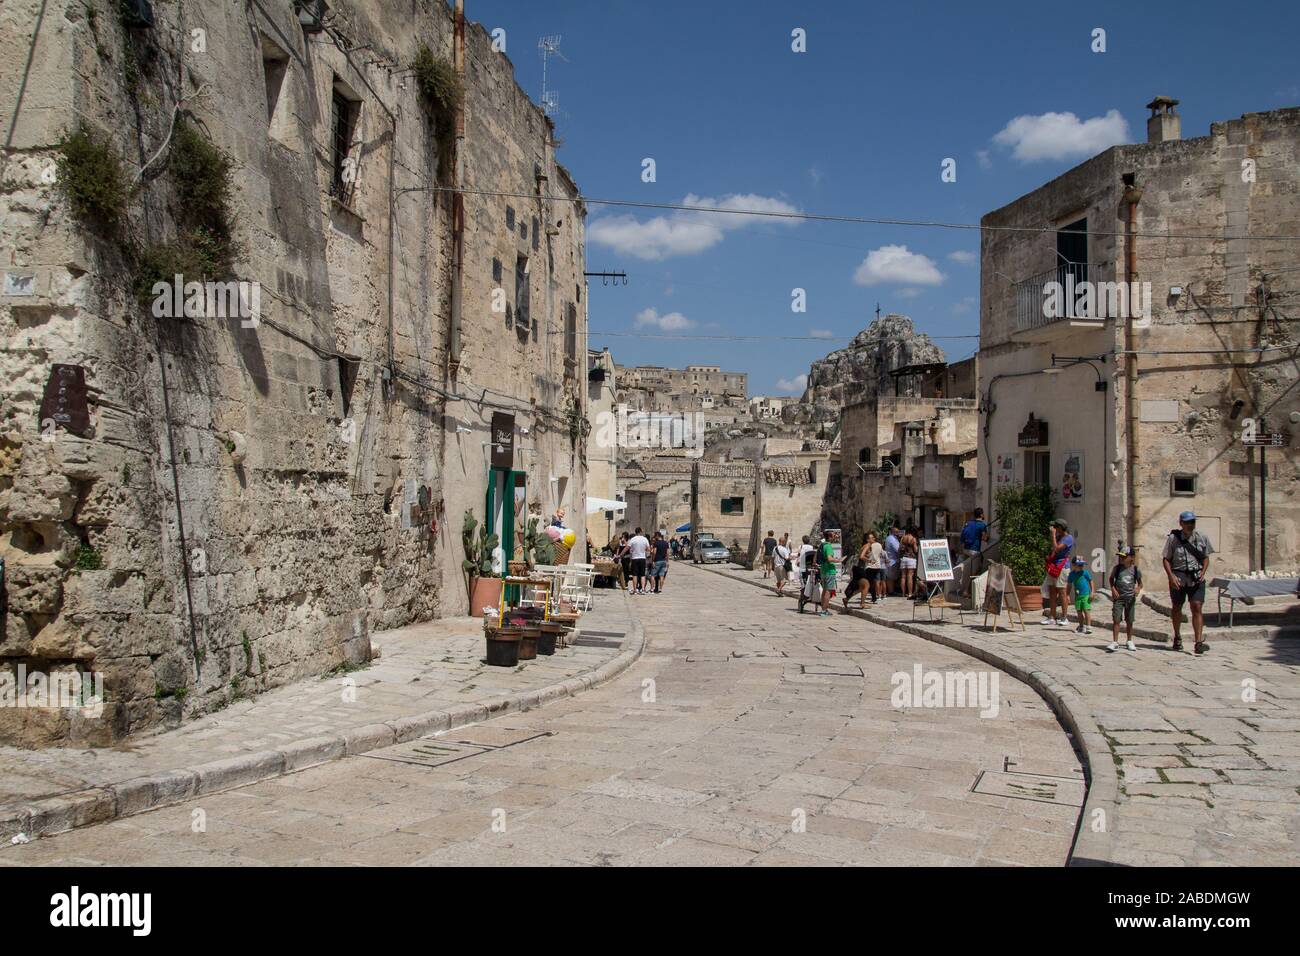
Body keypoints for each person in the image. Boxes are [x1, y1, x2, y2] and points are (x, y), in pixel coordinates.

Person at [1162, 510, 1213, 654]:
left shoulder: (1202, 537)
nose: (1190, 525)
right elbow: (1166, 559)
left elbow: (1206, 557)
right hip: (1178, 577)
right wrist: (1171, 576)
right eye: (1187, 522)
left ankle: (1198, 642)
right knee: (1177, 607)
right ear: (1181, 523)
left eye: (1192, 522)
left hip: (1196, 577)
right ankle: (1177, 636)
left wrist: (1203, 572)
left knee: (1197, 606)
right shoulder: (1173, 538)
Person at [1108, 545, 1142, 652]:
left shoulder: (1135, 570)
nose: (1121, 559)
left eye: (1124, 557)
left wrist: (1137, 589)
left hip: (1130, 598)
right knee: (1116, 619)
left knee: (1129, 620)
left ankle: (1129, 640)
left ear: (1131, 557)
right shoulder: (1117, 569)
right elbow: (1111, 579)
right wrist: (1113, 589)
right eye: (1120, 557)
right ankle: (1115, 641)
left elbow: (1140, 584)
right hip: (1119, 598)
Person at [1042, 518, 1073, 627]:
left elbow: (1057, 549)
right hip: (1053, 566)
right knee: (1052, 592)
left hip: (1062, 567)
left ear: (1060, 528)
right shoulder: (1059, 537)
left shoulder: (1068, 538)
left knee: (1062, 592)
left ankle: (1064, 617)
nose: (1054, 529)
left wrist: (1053, 536)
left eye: (1055, 527)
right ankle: (1052, 616)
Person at [1067, 555, 1094, 634]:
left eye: (1082, 565)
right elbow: (1069, 585)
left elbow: (1091, 581)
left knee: (1086, 610)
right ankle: (1081, 626)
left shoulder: (1085, 573)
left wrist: (1092, 592)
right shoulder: (1071, 575)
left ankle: (1089, 626)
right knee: (1079, 612)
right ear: (1074, 565)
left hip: (1086, 595)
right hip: (1078, 596)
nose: (1082, 566)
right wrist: (1067, 595)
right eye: (1080, 565)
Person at [960, 508, 989, 578]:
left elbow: (963, 535)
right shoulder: (982, 525)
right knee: (976, 570)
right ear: (981, 515)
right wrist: (986, 537)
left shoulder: (968, 523)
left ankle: (966, 587)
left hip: (965, 549)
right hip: (974, 550)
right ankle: (973, 586)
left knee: (966, 570)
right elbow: (985, 538)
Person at [817, 533, 838, 616]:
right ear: (829, 537)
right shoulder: (828, 546)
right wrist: (838, 560)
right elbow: (829, 558)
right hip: (829, 571)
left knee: (824, 590)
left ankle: (823, 609)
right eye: (833, 536)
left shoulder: (822, 545)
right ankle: (824, 610)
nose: (834, 537)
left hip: (823, 570)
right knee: (828, 591)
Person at [627, 527, 650, 595]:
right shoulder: (645, 539)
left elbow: (627, 547)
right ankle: (643, 589)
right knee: (642, 575)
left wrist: (621, 554)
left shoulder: (633, 539)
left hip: (635, 558)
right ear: (641, 531)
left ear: (635, 532)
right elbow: (648, 549)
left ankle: (635, 590)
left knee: (635, 575)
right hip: (642, 558)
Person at [898, 527, 919, 599]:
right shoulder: (913, 539)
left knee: (903, 576)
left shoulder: (903, 538)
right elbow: (916, 550)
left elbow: (900, 548)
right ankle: (910, 593)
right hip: (911, 559)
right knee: (910, 576)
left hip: (904, 558)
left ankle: (903, 593)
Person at [883, 525, 901, 597]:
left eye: (898, 532)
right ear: (892, 532)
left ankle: (891, 591)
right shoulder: (892, 539)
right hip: (892, 560)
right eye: (896, 532)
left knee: (890, 577)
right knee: (891, 577)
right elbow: (898, 549)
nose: (898, 533)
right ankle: (891, 591)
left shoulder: (888, 538)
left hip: (890, 560)